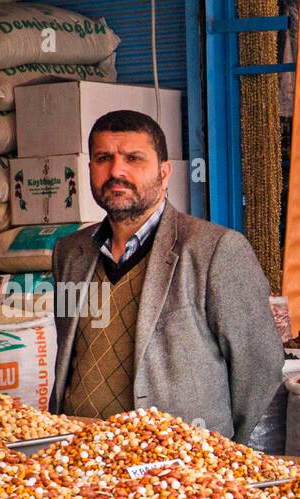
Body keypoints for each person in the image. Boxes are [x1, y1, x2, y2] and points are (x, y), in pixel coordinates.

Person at [51, 109, 282, 442]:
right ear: (89, 169)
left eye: (134, 158)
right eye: (103, 158)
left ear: (164, 172)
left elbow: (258, 368)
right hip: (81, 455)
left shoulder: (214, 250)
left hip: (176, 466)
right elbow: (69, 350)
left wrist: (222, 448)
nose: (116, 171)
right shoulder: (70, 253)